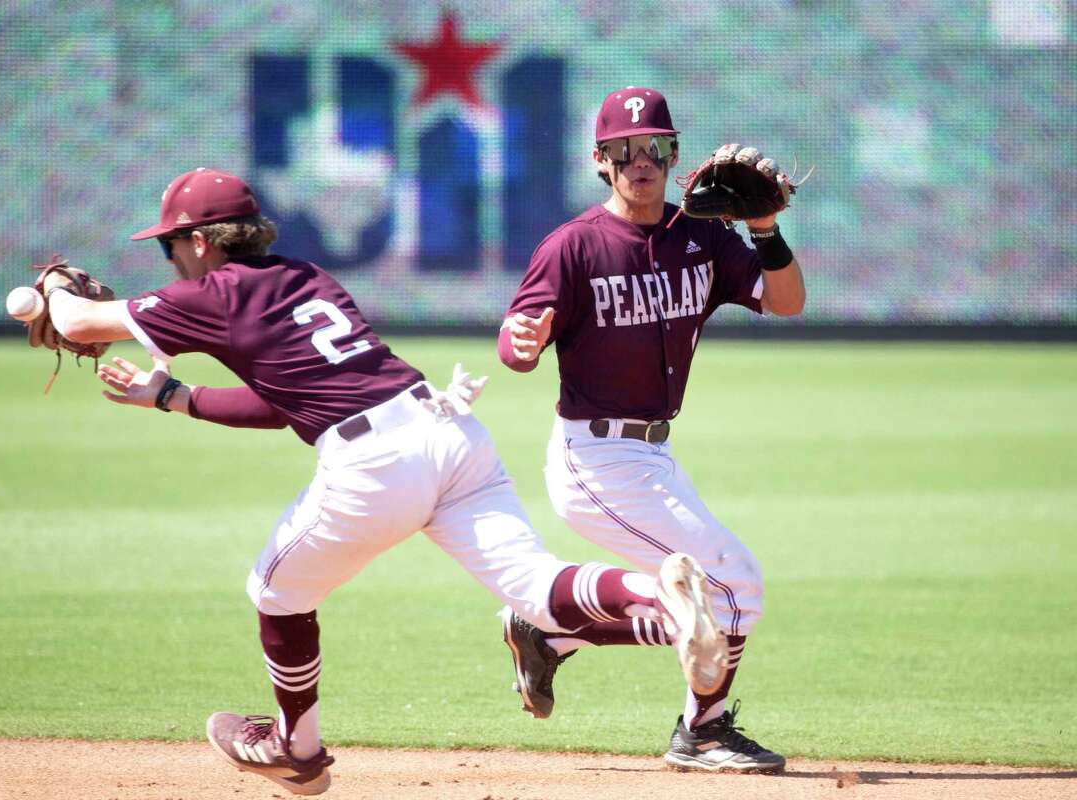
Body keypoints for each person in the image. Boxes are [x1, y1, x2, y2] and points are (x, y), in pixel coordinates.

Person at [40, 167, 733, 795]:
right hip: (449, 432)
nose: (172, 259)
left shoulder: (215, 291)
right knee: (536, 587)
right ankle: (662, 596)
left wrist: (51, 286)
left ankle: (295, 750)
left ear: (199, 241)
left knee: (275, 589)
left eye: (171, 246)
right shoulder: (306, 277)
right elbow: (282, 407)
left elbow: (74, 321)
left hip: (374, 466)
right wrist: (172, 396)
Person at [495, 87, 806, 773]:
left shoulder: (702, 237)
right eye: (624, 151)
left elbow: (787, 301)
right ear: (600, 161)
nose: (642, 162)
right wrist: (521, 339)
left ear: (674, 156)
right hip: (592, 456)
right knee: (735, 586)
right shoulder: (572, 247)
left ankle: (551, 631)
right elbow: (515, 349)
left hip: (654, 458)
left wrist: (764, 229)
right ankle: (703, 732)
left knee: (718, 595)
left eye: (656, 148)